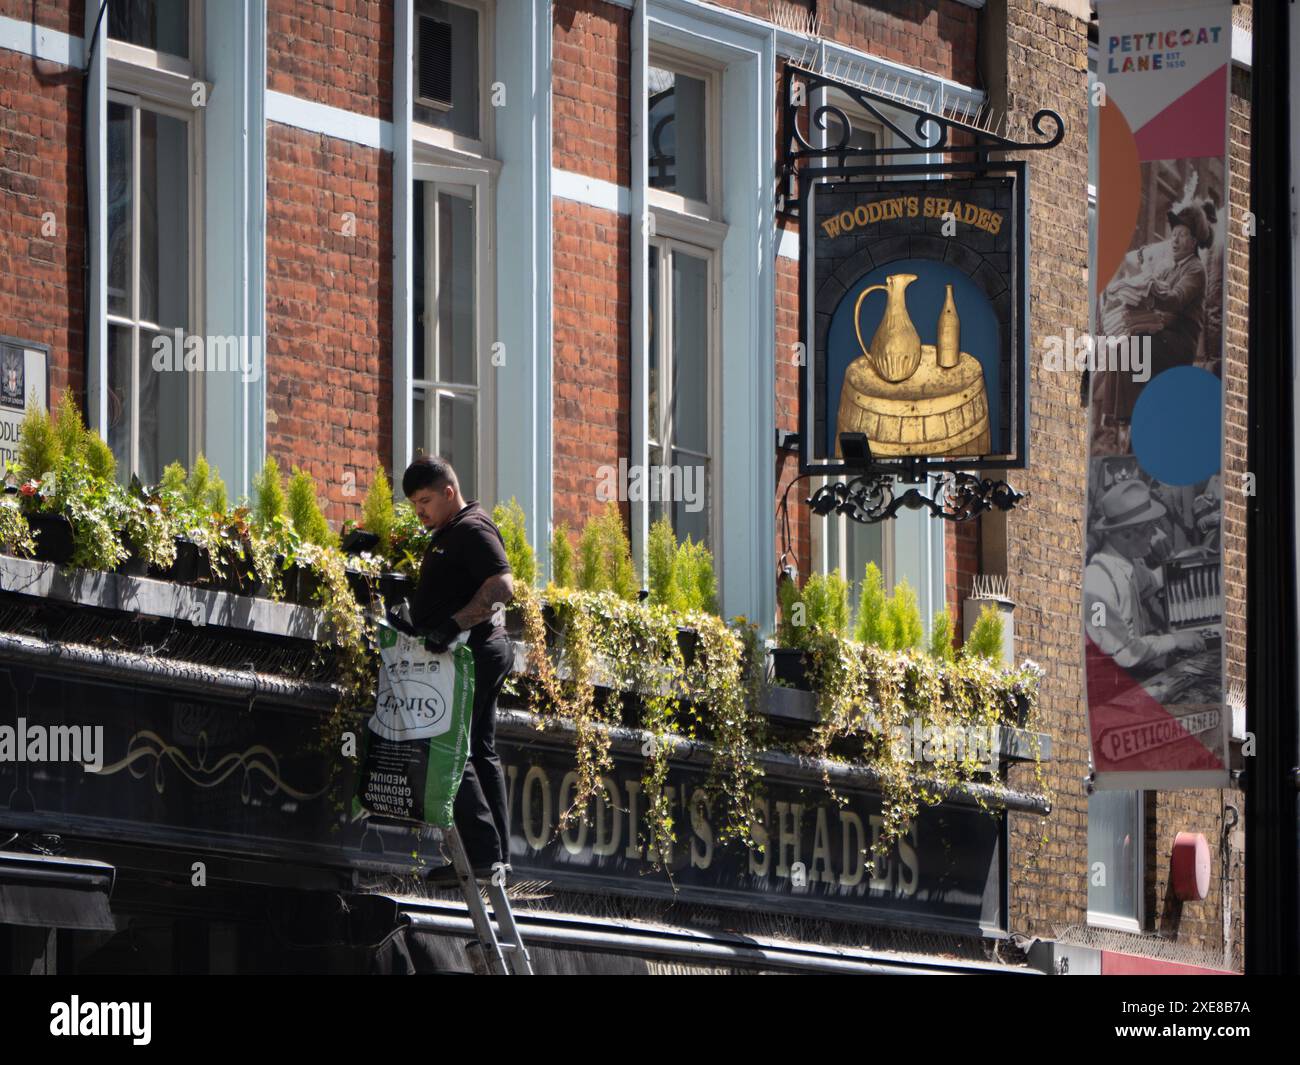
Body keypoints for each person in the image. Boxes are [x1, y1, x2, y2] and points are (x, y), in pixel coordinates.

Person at [389, 455, 515, 883]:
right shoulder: (451, 532)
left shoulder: (471, 529)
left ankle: (481, 856)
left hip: (472, 654)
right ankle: (495, 858)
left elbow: (503, 587)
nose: (420, 511)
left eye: (425, 500)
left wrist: (451, 626)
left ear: (448, 492)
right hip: (479, 652)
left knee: (447, 746)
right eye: (413, 504)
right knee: (480, 752)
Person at [1084, 480, 1205, 675]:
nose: (1156, 533)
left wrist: (1184, 560)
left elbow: (1152, 581)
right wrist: (1175, 640)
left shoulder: (1126, 563)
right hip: (1111, 685)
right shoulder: (1098, 582)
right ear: (1126, 534)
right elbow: (1122, 652)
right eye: (1150, 527)